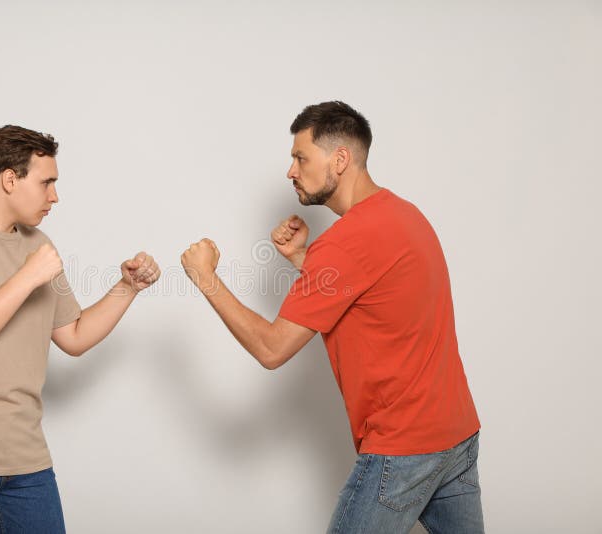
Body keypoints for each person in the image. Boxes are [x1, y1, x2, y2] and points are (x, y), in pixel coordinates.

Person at [180, 101, 483, 533]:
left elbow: (271, 348)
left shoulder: (344, 243)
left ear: (339, 160)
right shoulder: (403, 215)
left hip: (404, 448)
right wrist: (306, 258)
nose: (291, 170)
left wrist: (206, 278)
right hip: (455, 433)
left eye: (300, 157)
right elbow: (376, 297)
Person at [0, 125, 161, 533]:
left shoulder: (39, 246)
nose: (54, 196)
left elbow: (73, 336)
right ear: (9, 179)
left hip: (26, 465)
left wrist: (127, 288)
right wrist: (26, 278)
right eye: (46, 183)